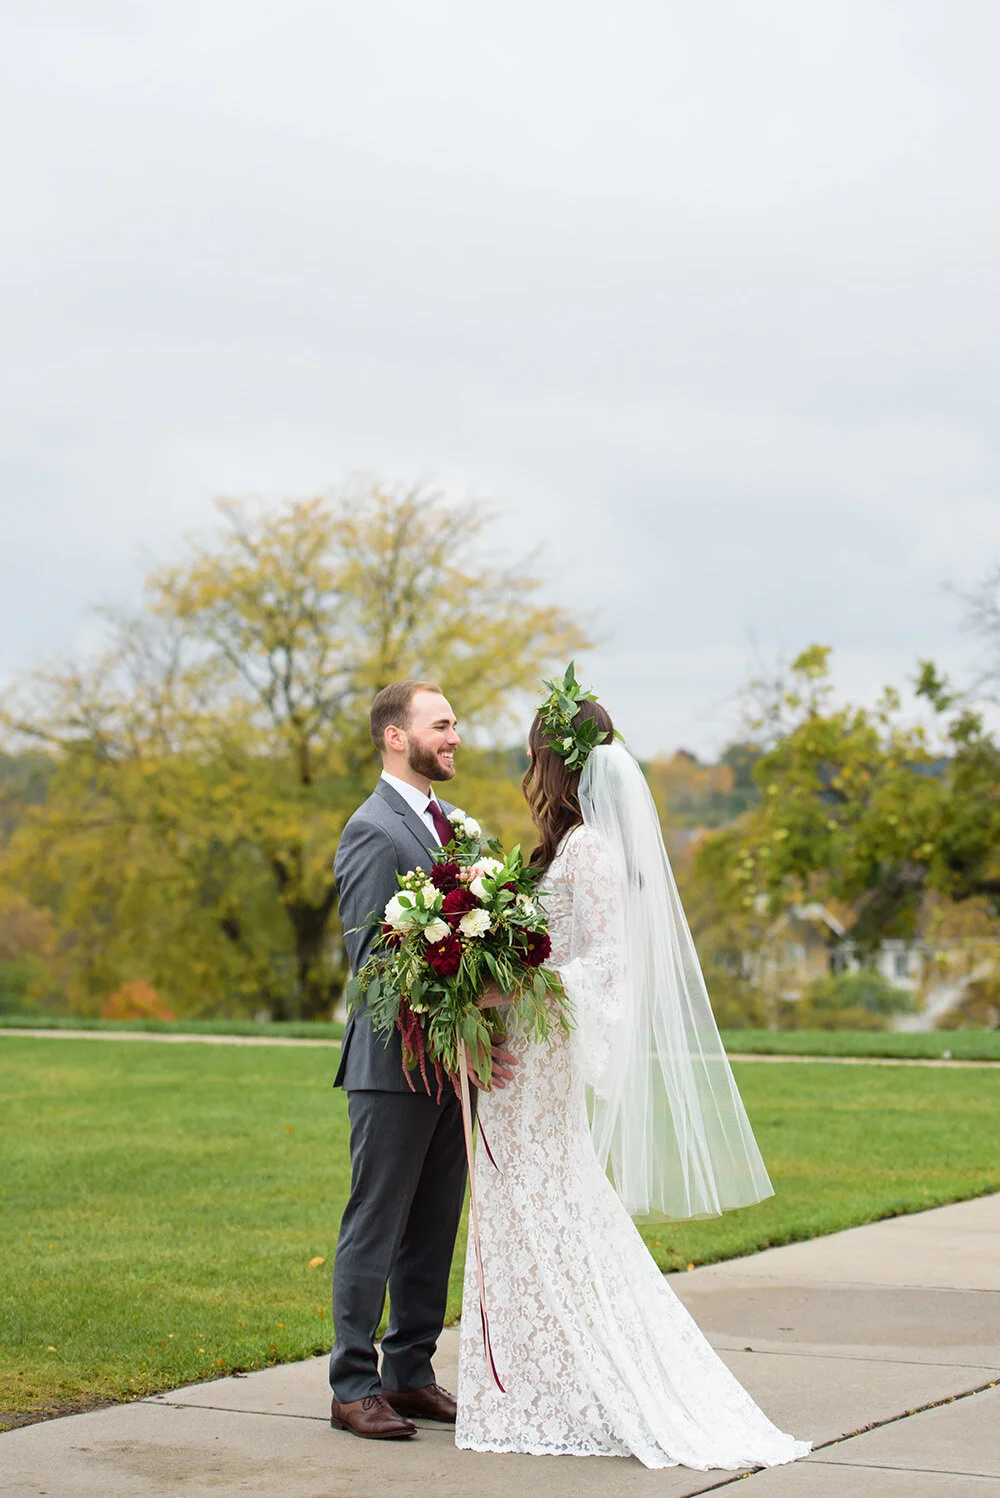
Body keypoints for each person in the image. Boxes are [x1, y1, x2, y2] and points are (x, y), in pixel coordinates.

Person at [456, 672, 811, 1471]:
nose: (527, 765)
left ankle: (563, 1383)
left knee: (540, 1198)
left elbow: (609, 963)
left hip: (540, 1054)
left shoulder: (588, 850)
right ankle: (537, 1383)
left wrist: (510, 988)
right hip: (526, 1048)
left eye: (533, 753)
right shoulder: (569, 845)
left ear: (557, 761)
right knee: (525, 1202)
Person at [329, 679, 515, 1440]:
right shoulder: (373, 830)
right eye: (441, 725)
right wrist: (452, 1027)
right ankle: (352, 1387)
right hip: (392, 1066)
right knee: (377, 1223)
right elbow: (373, 963)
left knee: (435, 1226)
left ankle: (409, 1374)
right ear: (396, 736)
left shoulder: (453, 828)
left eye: (455, 724)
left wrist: (481, 1021)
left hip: (453, 1069)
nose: (455, 736)